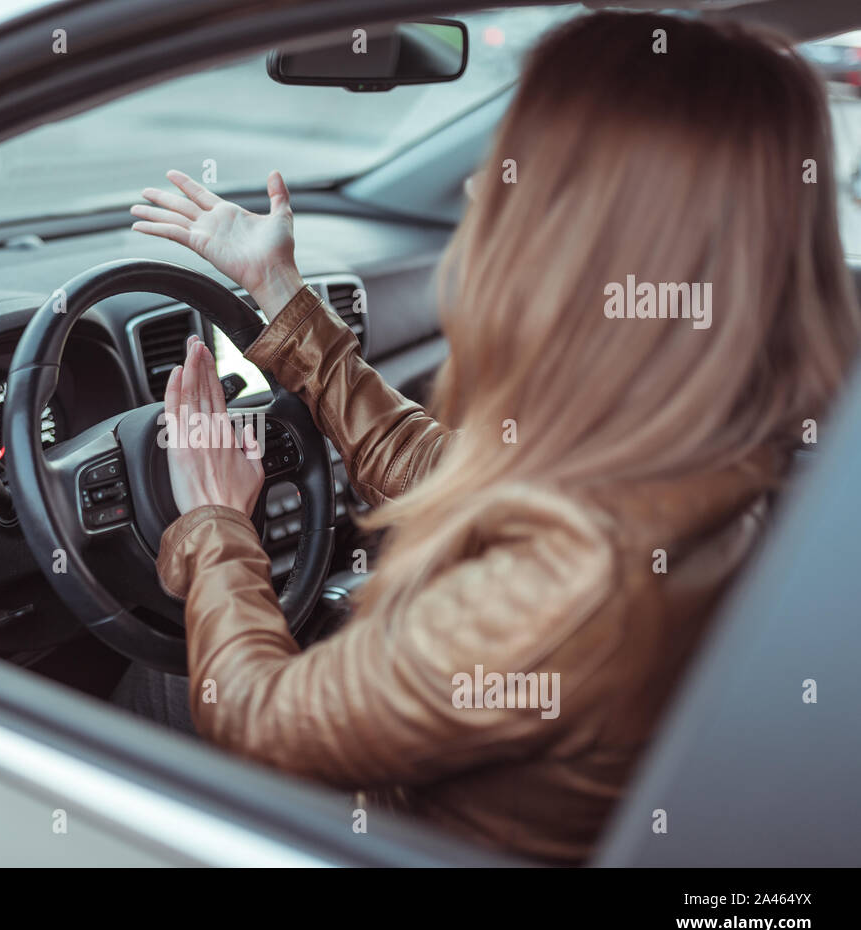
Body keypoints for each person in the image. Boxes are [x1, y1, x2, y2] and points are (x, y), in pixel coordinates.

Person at [120, 11, 861, 863]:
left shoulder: (568, 583)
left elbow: (253, 717)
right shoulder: (707, 458)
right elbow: (447, 475)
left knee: (157, 689)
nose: (478, 189)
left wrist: (214, 526)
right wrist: (283, 294)